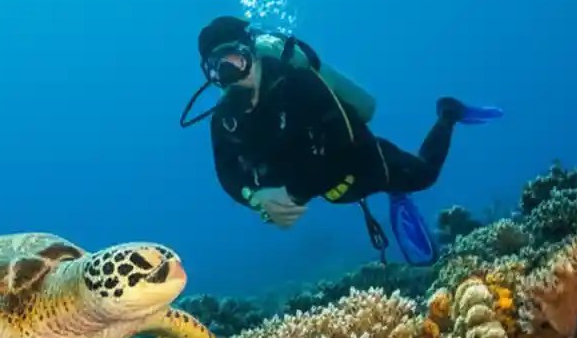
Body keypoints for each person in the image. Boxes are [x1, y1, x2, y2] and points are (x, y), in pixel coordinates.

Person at [179, 15, 502, 266]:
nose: (228, 74)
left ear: (252, 52)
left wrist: (290, 194)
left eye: (234, 60)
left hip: (363, 165)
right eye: (216, 69)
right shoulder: (225, 117)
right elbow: (226, 173)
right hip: (327, 189)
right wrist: (255, 197)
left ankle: (448, 112)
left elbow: (343, 141)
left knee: (425, 175)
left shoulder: (299, 83)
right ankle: (398, 196)